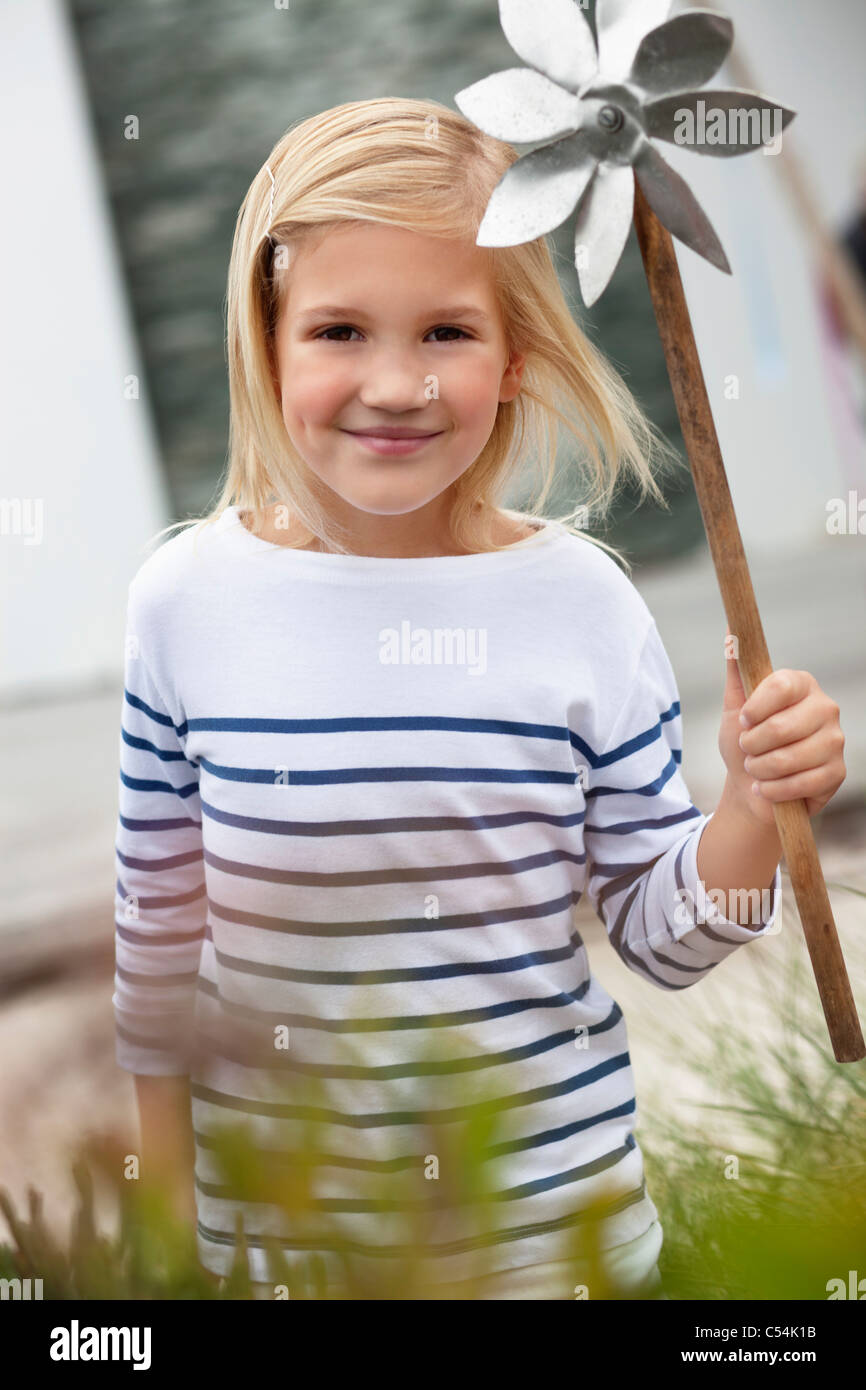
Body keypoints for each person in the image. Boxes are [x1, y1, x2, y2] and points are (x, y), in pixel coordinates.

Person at [113, 98, 847, 1301]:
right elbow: (155, 943)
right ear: (268, 335)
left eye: (446, 331)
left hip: (561, 1259)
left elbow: (659, 940)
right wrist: (157, 1231)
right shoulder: (184, 603)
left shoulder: (582, 605)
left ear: (512, 354)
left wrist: (753, 809)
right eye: (340, 329)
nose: (394, 384)